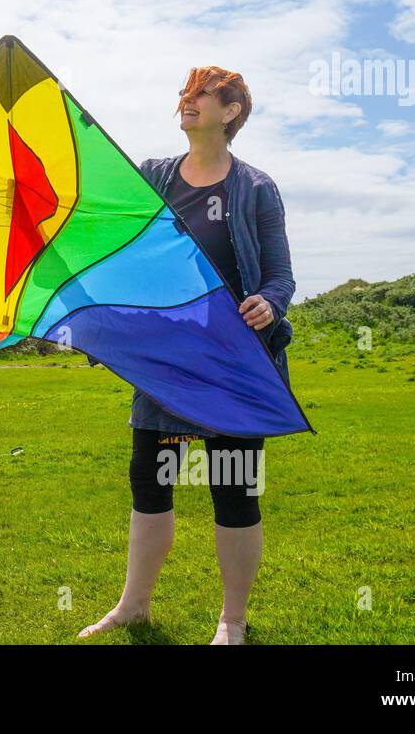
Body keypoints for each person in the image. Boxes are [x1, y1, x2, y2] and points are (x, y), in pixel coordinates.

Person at [78, 66, 296, 646]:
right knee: (150, 483)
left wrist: (267, 305)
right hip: (166, 364)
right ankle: (133, 606)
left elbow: (280, 277)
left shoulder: (254, 187)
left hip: (233, 366)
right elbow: (107, 238)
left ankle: (231, 620)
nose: (187, 102)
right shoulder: (153, 177)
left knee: (234, 490)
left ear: (231, 112)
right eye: (184, 94)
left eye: (201, 94)